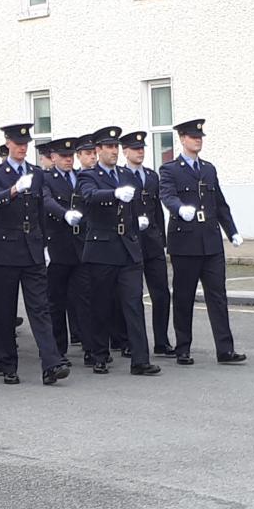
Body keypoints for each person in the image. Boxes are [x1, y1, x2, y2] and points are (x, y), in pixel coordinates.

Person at [0, 123, 69, 386]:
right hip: (5, 249)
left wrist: (43, 244)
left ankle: (51, 363)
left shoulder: (36, 173)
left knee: (40, 308)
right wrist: (13, 190)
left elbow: (40, 207)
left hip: (32, 246)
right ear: (7, 143)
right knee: (5, 310)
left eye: (25, 144)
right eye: (17, 143)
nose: (22, 148)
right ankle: (8, 364)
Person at [159, 119, 246, 365]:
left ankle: (225, 349)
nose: (198, 140)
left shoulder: (208, 169)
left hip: (210, 242)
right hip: (185, 243)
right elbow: (167, 195)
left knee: (217, 296)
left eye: (200, 137)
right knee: (184, 297)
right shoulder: (170, 170)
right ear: (182, 139)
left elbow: (219, 203)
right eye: (193, 137)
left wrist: (232, 231)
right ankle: (183, 348)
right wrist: (178, 210)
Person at [78, 126, 159, 376]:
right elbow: (89, 197)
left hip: (128, 247)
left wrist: (140, 221)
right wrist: (113, 194)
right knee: (101, 305)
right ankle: (100, 355)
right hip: (102, 248)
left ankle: (140, 359)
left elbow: (136, 204)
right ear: (98, 150)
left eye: (115, 147)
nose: (113, 151)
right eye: (108, 147)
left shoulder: (126, 174)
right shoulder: (88, 176)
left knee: (133, 303)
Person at [120, 130, 176, 358]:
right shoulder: (121, 177)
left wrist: (162, 240)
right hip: (130, 241)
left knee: (161, 292)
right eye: (135, 149)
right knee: (131, 296)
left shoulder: (152, 176)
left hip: (152, 241)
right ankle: (128, 341)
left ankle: (161, 341)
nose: (140, 153)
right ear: (125, 152)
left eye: (142, 149)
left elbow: (157, 211)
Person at [42, 137, 91, 367]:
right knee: (56, 301)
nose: (68, 160)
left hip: (80, 244)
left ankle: (91, 348)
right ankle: (58, 350)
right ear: (53, 158)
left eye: (70, 156)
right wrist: (64, 214)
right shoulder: (47, 179)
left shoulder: (80, 177)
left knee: (84, 299)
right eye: (63, 157)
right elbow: (46, 201)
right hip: (58, 244)